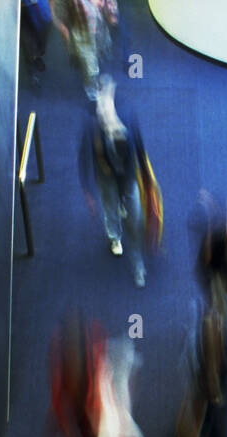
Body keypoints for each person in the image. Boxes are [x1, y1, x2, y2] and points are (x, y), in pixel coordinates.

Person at [78, 77, 147, 287]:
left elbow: (140, 149)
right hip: (106, 176)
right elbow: (84, 157)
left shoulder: (128, 117)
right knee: (110, 208)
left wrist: (145, 177)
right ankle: (115, 236)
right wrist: (88, 191)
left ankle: (138, 266)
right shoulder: (92, 127)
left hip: (127, 177)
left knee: (134, 221)